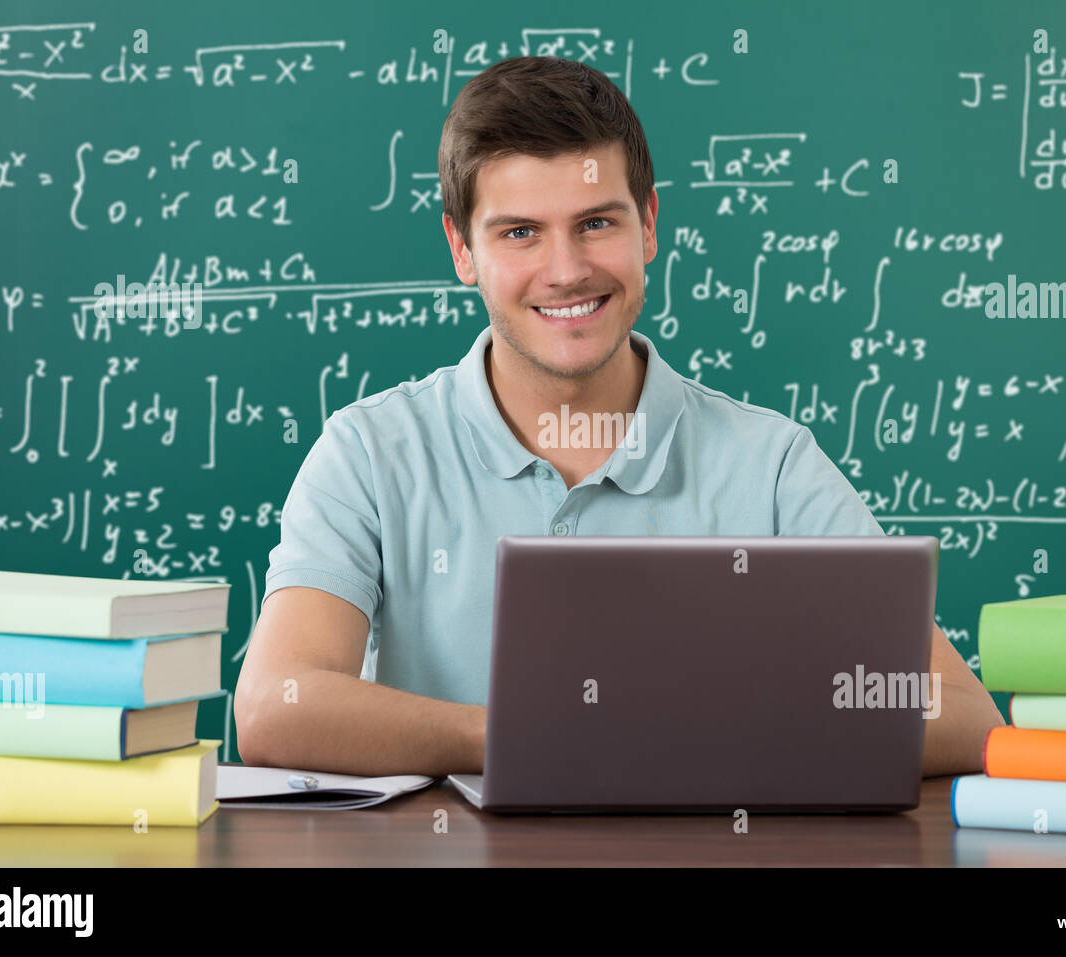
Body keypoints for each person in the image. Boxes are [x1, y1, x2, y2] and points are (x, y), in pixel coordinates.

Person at [235, 56, 1003, 778]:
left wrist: (682, 728)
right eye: (520, 233)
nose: (566, 270)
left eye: (597, 223)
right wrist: (511, 733)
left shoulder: (771, 465)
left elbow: (961, 714)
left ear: (649, 225)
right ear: (461, 249)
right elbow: (275, 704)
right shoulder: (370, 453)